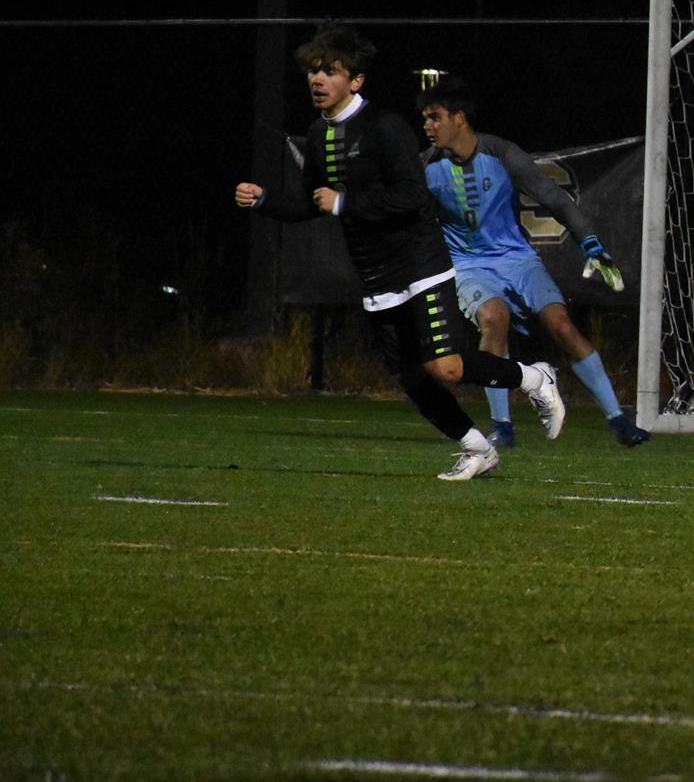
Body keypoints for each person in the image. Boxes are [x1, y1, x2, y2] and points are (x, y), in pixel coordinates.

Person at [235, 24, 566, 482]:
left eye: (330, 71)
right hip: (375, 277)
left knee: (446, 368)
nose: (318, 80)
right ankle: (477, 449)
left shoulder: (384, 127)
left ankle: (535, 378)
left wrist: (346, 203)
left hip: (419, 266)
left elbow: (412, 196)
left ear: (356, 81)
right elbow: (314, 201)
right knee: (410, 376)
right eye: (314, 71)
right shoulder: (317, 133)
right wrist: (266, 200)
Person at [416, 76, 651, 450]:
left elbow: (553, 197)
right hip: (468, 265)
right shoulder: (425, 168)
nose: (427, 126)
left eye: (434, 117)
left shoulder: (501, 153)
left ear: (459, 118)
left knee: (561, 325)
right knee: (494, 318)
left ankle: (619, 421)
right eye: (425, 119)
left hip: (517, 258)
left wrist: (589, 242)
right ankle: (503, 426)